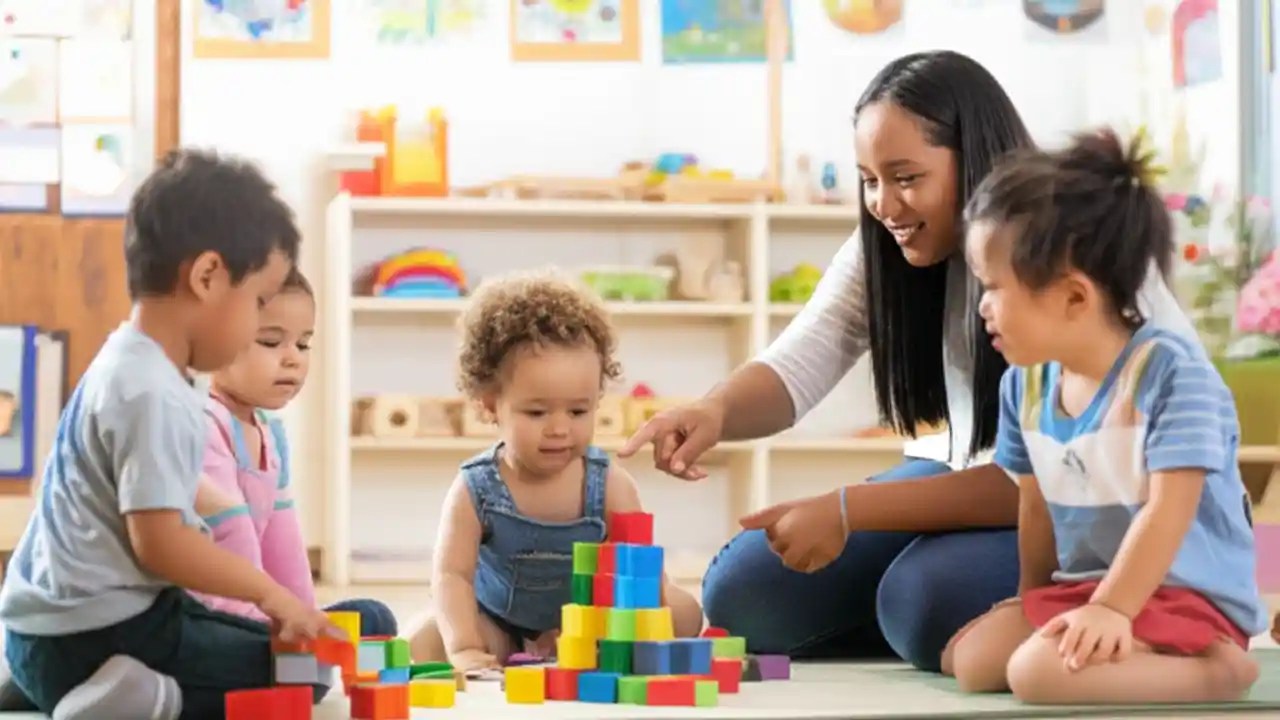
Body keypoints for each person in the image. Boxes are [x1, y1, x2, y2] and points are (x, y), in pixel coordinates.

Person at [618, 50, 1197, 672]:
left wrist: (848, 511)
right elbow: (799, 362)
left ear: (973, 160)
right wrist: (714, 411)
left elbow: (1046, 477)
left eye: (906, 177)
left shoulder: (1061, 265)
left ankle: (1085, 616)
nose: (884, 205)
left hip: (1106, 508)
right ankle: (936, 612)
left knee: (921, 599)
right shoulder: (891, 245)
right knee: (745, 594)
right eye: (870, 180)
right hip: (978, 476)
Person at [0, 149, 342, 720]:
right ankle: (143, 701)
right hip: (103, 636)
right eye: (258, 302)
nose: (258, 323)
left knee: (298, 645)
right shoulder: (151, 391)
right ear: (208, 277)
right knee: (304, 674)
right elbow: (162, 543)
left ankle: (43, 685)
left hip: (42, 632)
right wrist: (271, 596)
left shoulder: (130, 361)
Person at [946, 127, 1264, 703]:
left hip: (1186, 594)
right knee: (971, 661)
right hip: (1091, 588)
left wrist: (1113, 609)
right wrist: (1034, 599)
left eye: (993, 287)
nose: (982, 307)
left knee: (1035, 675)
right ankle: (1117, 646)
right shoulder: (1025, 387)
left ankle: (1218, 672)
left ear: (1074, 297)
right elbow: (1034, 504)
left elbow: (1170, 508)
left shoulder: (1173, 376)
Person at [405, 270, 703, 671]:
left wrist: (599, 631)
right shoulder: (475, 486)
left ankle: (580, 651)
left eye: (578, 411)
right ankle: (506, 650)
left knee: (684, 612)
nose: (560, 428)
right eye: (537, 411)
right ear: (490, 404)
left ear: (598, 399)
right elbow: (452, 577)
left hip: (589, 625)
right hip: (499, 623)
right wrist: (465, 648)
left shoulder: (610, 483)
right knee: (421, 641)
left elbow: (640, 576)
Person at [193, 268, 398, 641]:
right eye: (271, 342)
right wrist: (270, 634)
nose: (293, 359)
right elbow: (230, 543)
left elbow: (282, 547)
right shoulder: (204, 424)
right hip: (205, 617)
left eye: (303, 345)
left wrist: (304, 618)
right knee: (288, 666)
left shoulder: (271, 433)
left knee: (375, 619)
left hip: (256, 617)